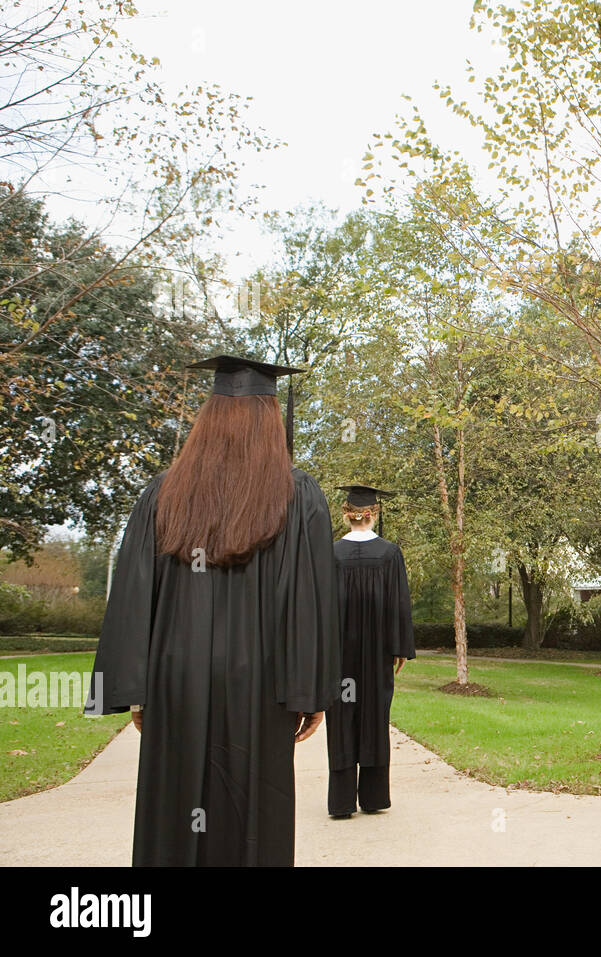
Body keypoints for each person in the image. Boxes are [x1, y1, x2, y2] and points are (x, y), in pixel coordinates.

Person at [86, 355, 340, 866]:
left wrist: (134, 686)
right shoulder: (298, 494)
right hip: (260, 682)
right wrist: (309, 690)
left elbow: (135, 593)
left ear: (207, 419)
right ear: (272, 421)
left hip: (176, 677)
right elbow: (310, 600)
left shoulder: (164, 493)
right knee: (254, 808)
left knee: (176, 804)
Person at [326, 485, 415, 818]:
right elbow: (398, 605)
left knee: (342, 718)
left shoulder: (329, 554)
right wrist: (399, 647)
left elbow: (319, 608)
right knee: (375, 718)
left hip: (338, 656)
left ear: (345, 513)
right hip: (378, 653)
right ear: (375, 513)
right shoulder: (390, 554)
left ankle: (341, 801)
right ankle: (374, 797)